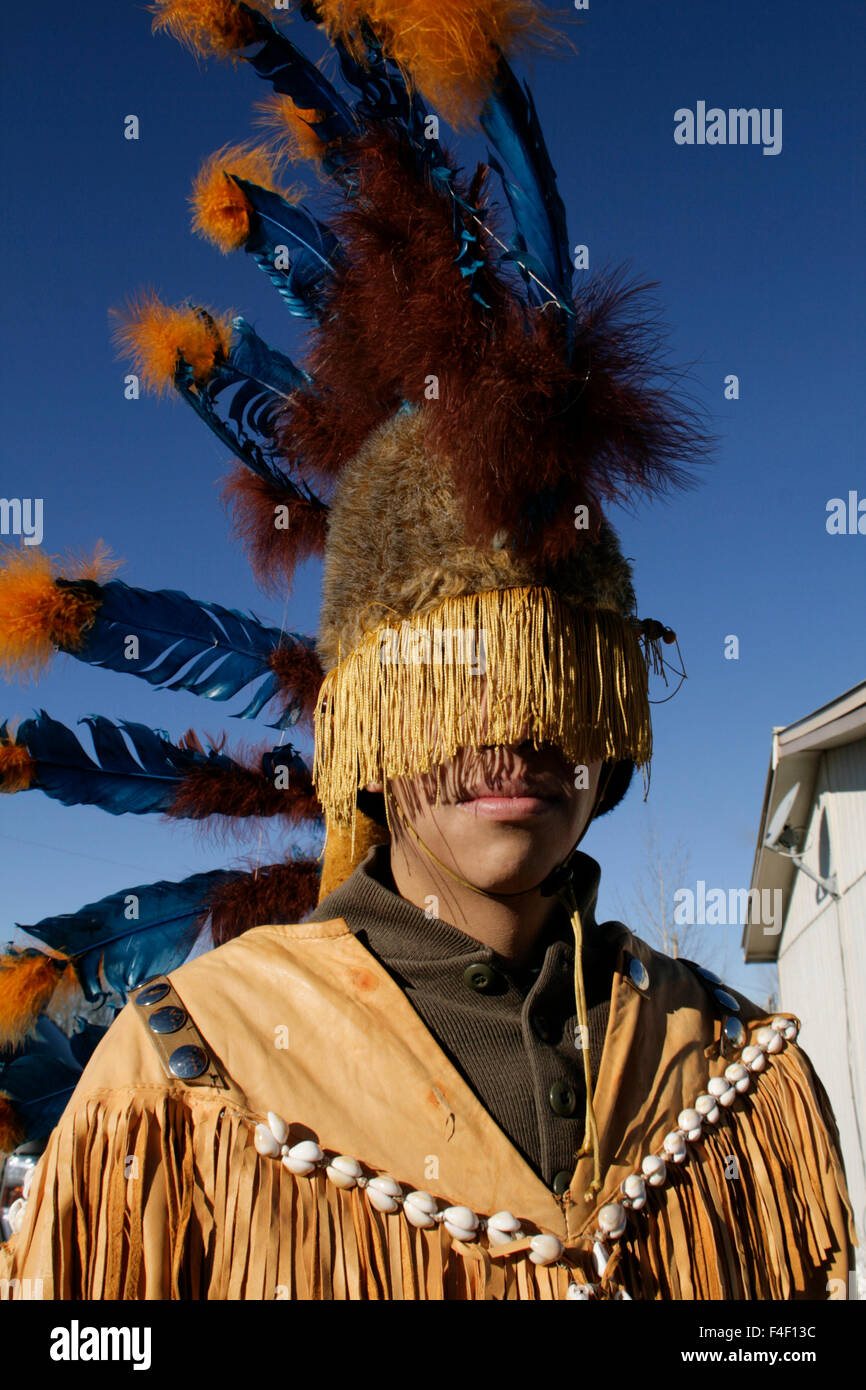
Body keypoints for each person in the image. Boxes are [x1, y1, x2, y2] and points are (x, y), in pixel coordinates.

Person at [0, 0, 857, 1300]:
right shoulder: (191, 1069)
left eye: (553, 673)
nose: (511, 733)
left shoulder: (739, 1067)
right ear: (359, 721)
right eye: (451, 679)